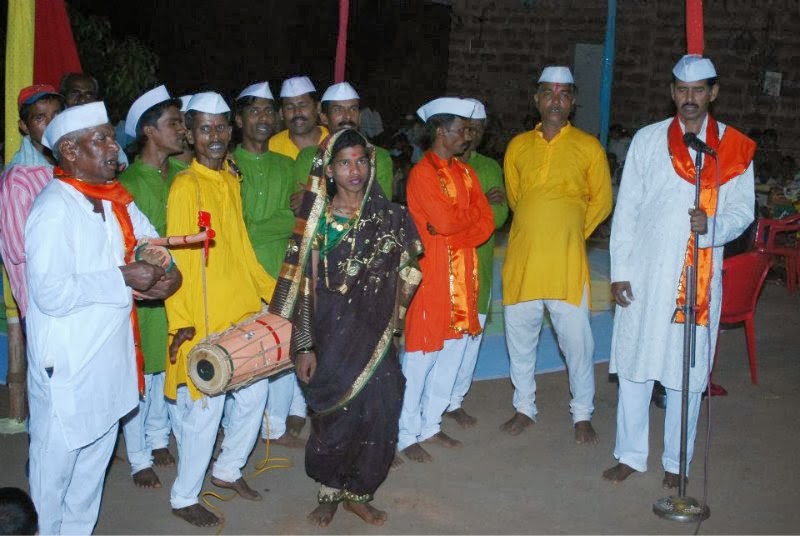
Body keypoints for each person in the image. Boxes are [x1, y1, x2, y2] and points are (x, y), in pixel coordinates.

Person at [26, 101, 181, 534]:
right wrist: (124, 277)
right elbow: (52, 293)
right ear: (71, 152)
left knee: (91, 475)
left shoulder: (116, 200)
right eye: (102, 139)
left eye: (112, 136)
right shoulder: (53, 208)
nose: (115, 146)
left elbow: (150, 242)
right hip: (68, 368)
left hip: (109, 362)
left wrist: (165, 272)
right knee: (52, 477)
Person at [603, 55, 756, 488]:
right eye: (682, 90)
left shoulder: (733, 146)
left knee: (685, 372)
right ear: (672, 93)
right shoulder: (648, 140)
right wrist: (620, 270)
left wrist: (713, 227)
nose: (690, 99)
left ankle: (678, 462)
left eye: (699, 90)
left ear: (713, 93)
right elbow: (627, 207)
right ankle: (630, 454)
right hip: (645, 273)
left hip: (698, 276)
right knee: (635, 363)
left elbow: (743, 211)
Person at [269, 128, 422, 527]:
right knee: (333, 417)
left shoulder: (392, 217)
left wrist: (395, 316)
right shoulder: (316, 222)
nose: (354, 170)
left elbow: (409, 273)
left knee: (381, 409)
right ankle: (329, 490)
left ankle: (360, 492)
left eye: (360, 160)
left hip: (374, 336)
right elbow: (304, 288)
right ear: (329, 170)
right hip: (328, 333)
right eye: (344, 163)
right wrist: (303, 344)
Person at [164, 92, 277, 527]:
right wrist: (184, 324)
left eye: (221, 126)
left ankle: (228, 471)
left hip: (242, 312)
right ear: (190, 135)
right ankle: (184, 496)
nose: (215, 136)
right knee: (205, 413)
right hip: (205, 320)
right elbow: (177, 262)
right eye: (205, 128)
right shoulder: (185, 187)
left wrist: (272, 290)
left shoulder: (230, 180)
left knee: (255, 394)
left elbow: (242, 248)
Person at [500, 66, 612, 444]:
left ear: (573, 101)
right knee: (520, 340)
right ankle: (523, 407)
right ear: (537, 98)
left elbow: (602, 201)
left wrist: (570, 232)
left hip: (566, 264)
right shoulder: (517, 146)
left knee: (578, 344)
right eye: (548, 93)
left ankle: (582, 413)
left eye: (564, 94)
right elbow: (516, 199)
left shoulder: (588, 147)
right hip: (523, 262)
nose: (555, 101)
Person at [399, 97, 495, 462]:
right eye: (461, 130)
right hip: (432, 278)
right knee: (421, 357)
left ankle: (430, 424)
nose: (467, 137)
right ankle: (406, 433)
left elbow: (484, 224)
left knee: (452, 355)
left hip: (463, 279)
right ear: (440, 131)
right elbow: (446, 222)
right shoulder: (422, 174)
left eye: (469, 130)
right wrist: (460, 221)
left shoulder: (467, 173)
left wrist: (458, 224)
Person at [118, 85, 187, 489]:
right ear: (149, 131)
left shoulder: (181, 174)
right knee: (141, 368)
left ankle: (159, 436)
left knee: (167, 362)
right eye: (173, 123)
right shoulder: (128, 182)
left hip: (179, 285)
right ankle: (138, 454)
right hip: (146, 287)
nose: (182, 130)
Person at [231, 81, 305, 449]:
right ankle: (235, 434)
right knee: (244, 356)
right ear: (239, 118)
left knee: (282, 352)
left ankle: (275, 429)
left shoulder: (286, 164)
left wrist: (263, 224)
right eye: (254, 111)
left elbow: (300, 216)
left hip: (280, 273)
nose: (263, 118)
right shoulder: (227, 164)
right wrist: (279, 219)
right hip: (240, 277)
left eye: (268, 111)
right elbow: (237, 225)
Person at [444, 99, 508, 427]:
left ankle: (454, 400)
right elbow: (439, 218)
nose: (469, 134)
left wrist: (468, 214)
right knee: (439, 340)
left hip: (477, 268)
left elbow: (498, 215)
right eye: (465, 127)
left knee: (471, 337)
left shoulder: (489, 168)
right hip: (441, 268)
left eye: (477, 129)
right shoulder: (437, 165)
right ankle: (432, 401)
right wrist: (479, 206)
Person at [0, 85, 65, 321]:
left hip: (76, 304)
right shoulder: (18, 179)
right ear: (24, 126)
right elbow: (20, 251)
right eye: (40, 117)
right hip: (42, 310)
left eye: (57, 115)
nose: (51, 123)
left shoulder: (70, 167)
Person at [294, 82, 393, 197]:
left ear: (360, 116)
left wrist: (317, 198)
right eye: (338, 110)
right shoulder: (308, 157)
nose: (347, 116)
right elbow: (301, 206)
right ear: (324, 117)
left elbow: (380, 207)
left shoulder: (379, 156)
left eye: (353, 109)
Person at [59, 72, 129, 171]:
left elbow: (122, 165)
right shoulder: (55, 133)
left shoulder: (105, 133)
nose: (82, 100)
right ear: (63, 97)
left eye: (89, 95)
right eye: (75, 93)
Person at [268, 76, 329, 160]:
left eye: (303, 105)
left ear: (318, 108)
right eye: (289, 107)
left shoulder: (333, 140)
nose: (297, 112)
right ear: (281, 113)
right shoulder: (271, 147)